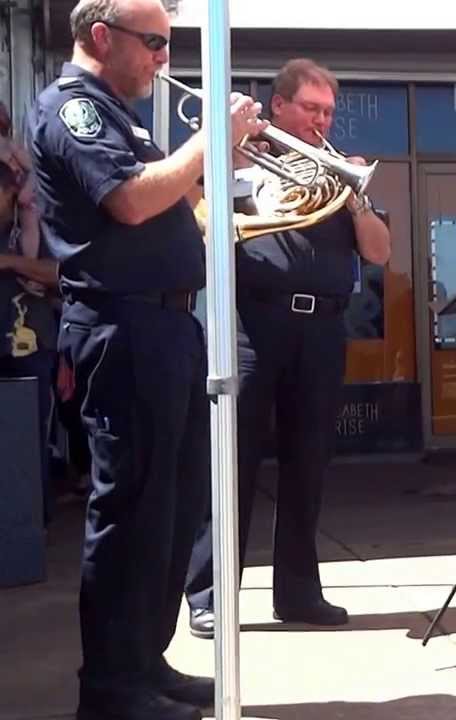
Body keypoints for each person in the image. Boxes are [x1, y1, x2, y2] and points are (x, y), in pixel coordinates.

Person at [28, 1, 268, 719]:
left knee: (175, 504)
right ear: (102, 36)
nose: (164, 59)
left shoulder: (120, 115)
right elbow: (130, 204)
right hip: (121, 329)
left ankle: (144, 662)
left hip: (164, 326)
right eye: (155, 43)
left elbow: (167, 198)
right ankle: (110, 688)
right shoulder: (74, 110)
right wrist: (207, 146)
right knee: (131, 510)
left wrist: (216, 164)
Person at [184, 58, 392, 638]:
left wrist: (354, 198)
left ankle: (299, 593)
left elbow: (378, 253)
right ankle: (209, 594)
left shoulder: (337, 173)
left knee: (308, 464)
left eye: (327, 111)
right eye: (310, 109)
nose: (321, 121)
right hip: (253, 323)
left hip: (322, 329)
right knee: (233, 460)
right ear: (278, 106)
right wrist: (229, 150)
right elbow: (199, 219)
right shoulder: (243, 161)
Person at [0, 161, 58, 526]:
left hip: (30, 352)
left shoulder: (33, 223)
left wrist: (8, 261)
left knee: (29, 443)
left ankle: (32, 527)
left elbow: (59, 274)